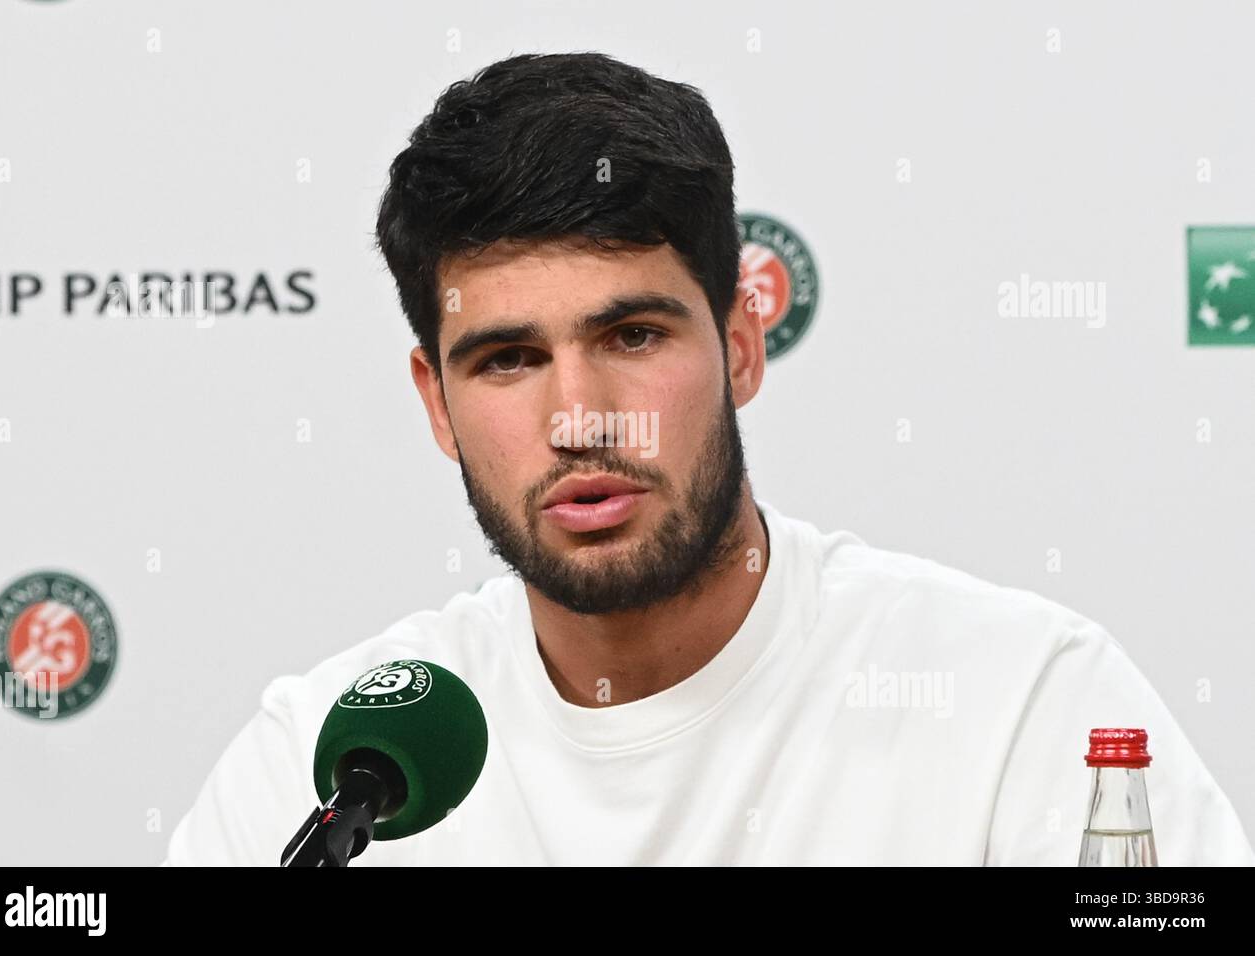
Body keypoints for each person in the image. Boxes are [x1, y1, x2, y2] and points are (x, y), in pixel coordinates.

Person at [165, 52, 1253, 866]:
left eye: (631, 337)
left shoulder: (1029, 709)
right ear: (437, 404)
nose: (581, 418)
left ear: (738, 346)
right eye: (507, 359)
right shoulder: (321, 771)